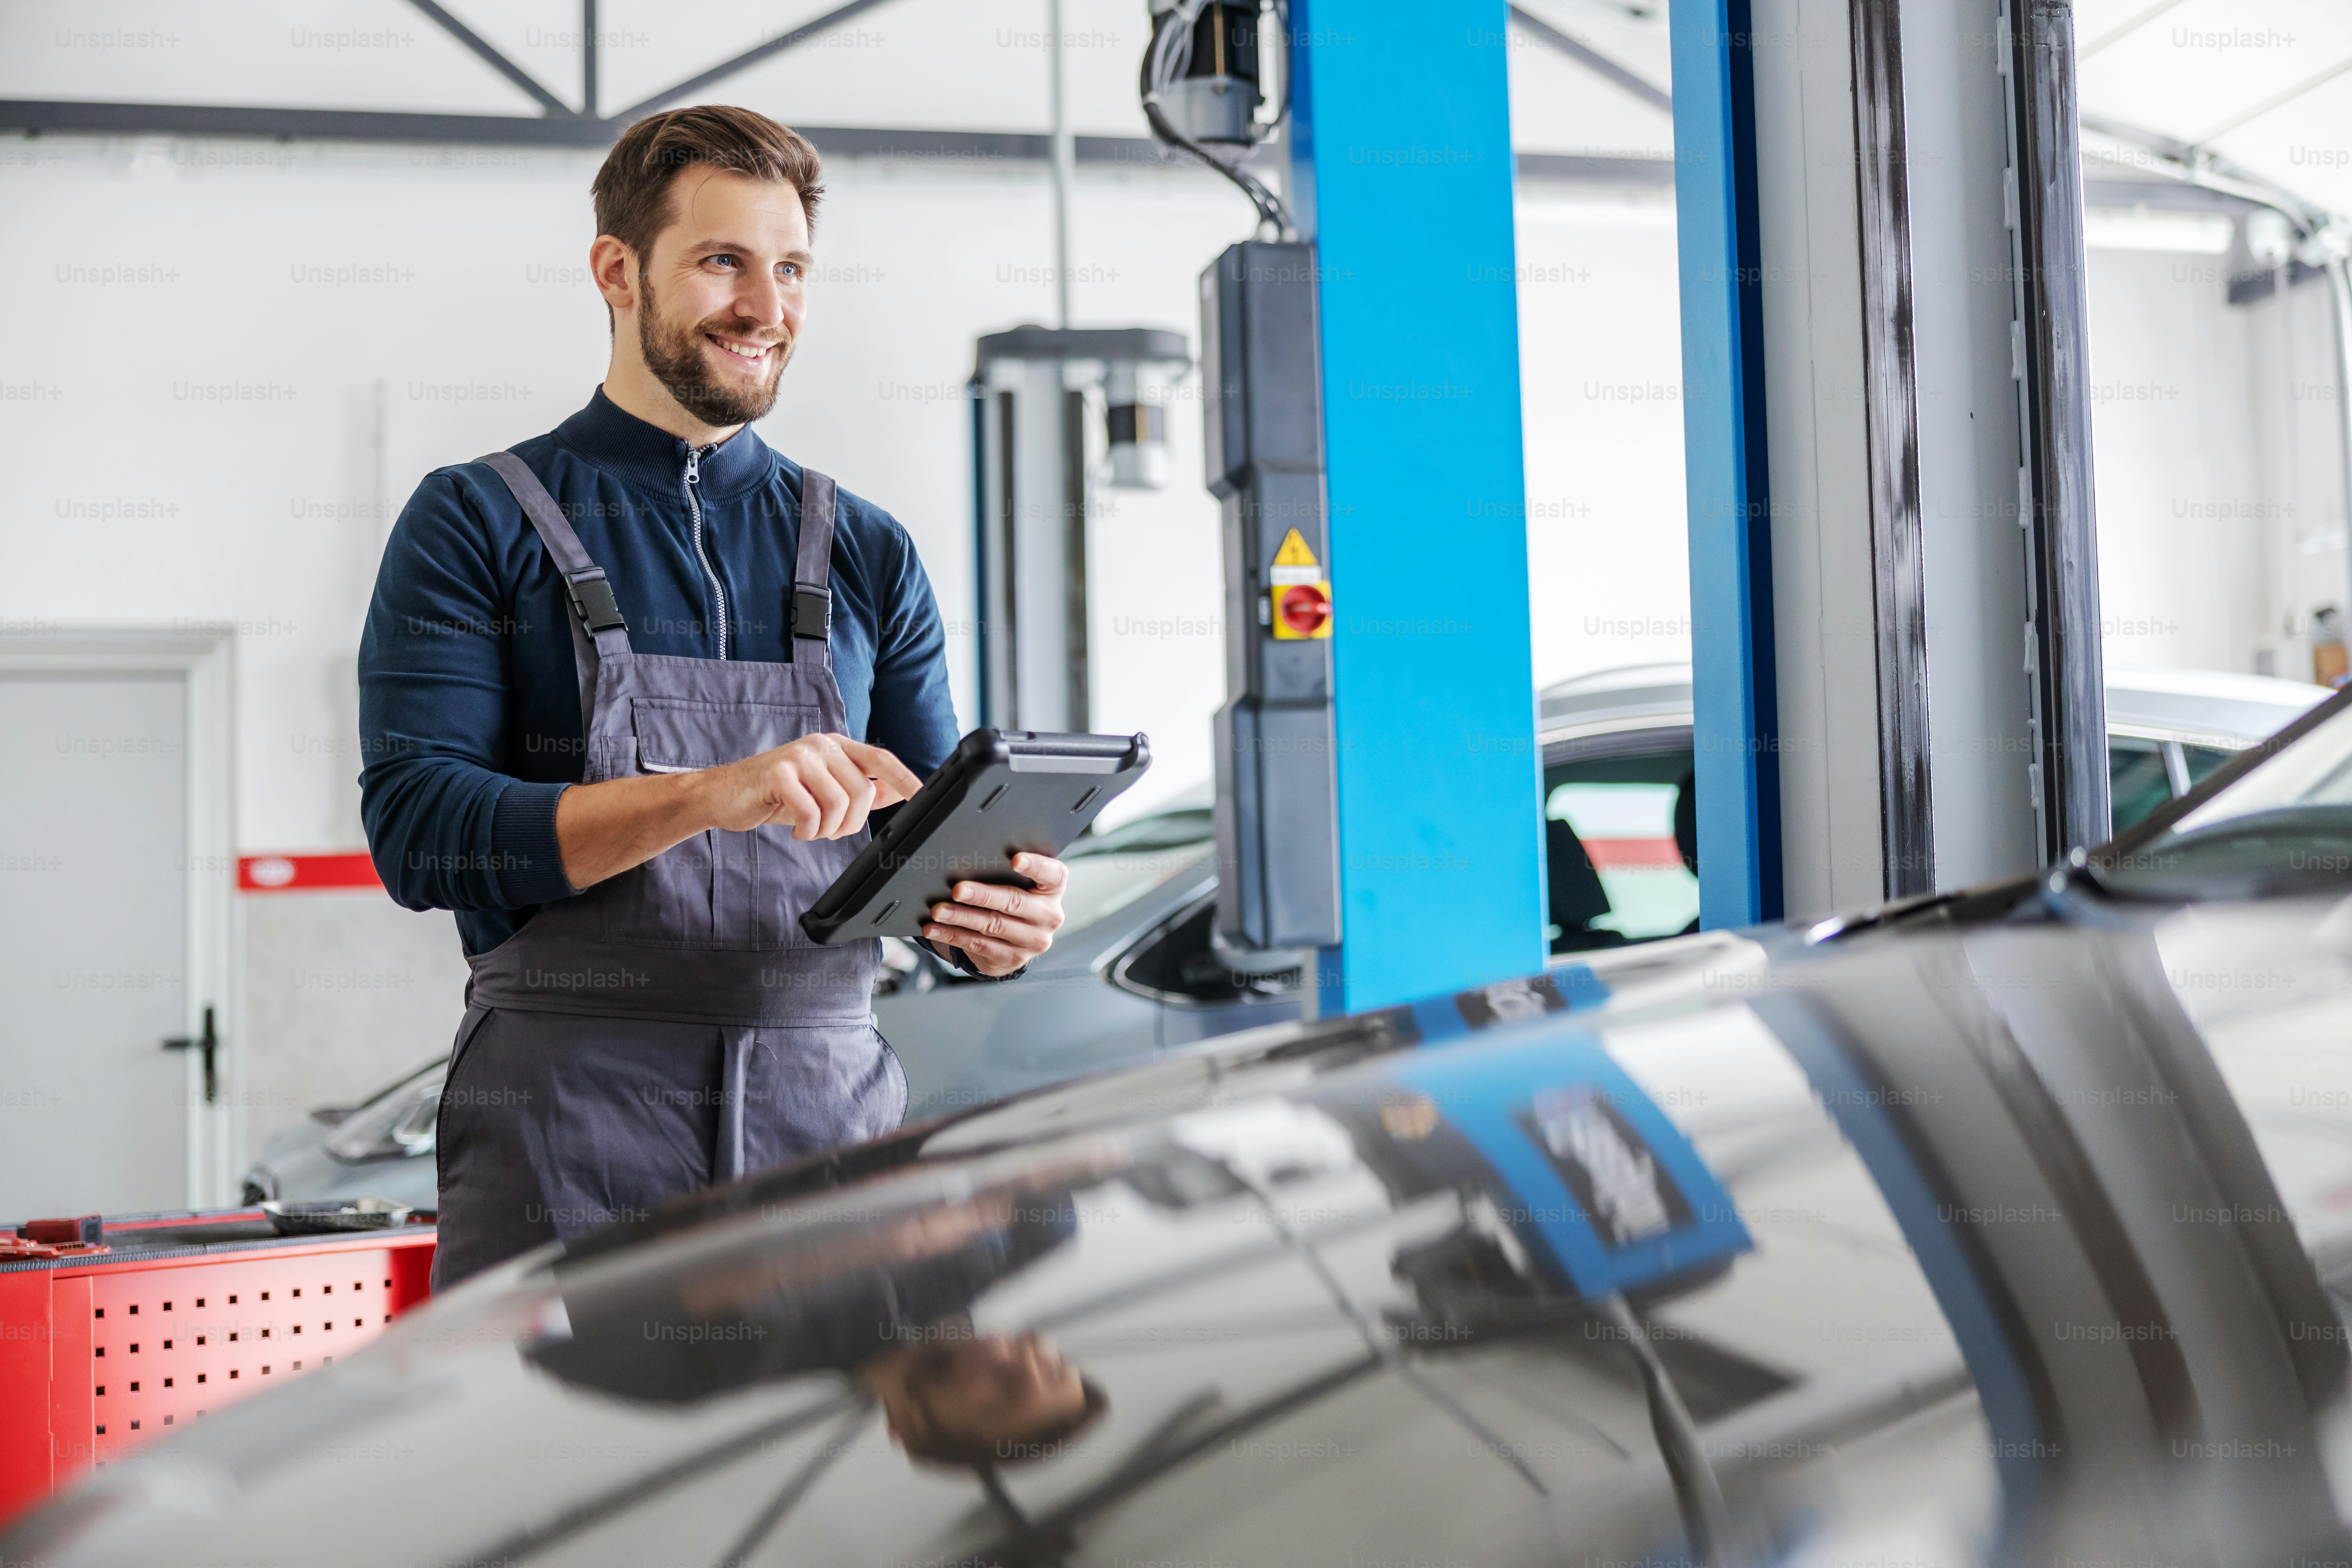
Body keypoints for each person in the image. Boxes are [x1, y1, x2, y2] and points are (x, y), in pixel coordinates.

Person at [358, 105, 1068, 1291]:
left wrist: (999, 924)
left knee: (822, 1475)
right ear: (617, 272)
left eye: (790, 268)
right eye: (723, 261)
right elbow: (421, 833)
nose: (767, 308)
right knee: (578, 1473)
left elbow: (929, 848)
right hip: (569, 1130)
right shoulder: (474, 520)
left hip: (828, 1131)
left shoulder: (867, 553)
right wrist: (700, 795)